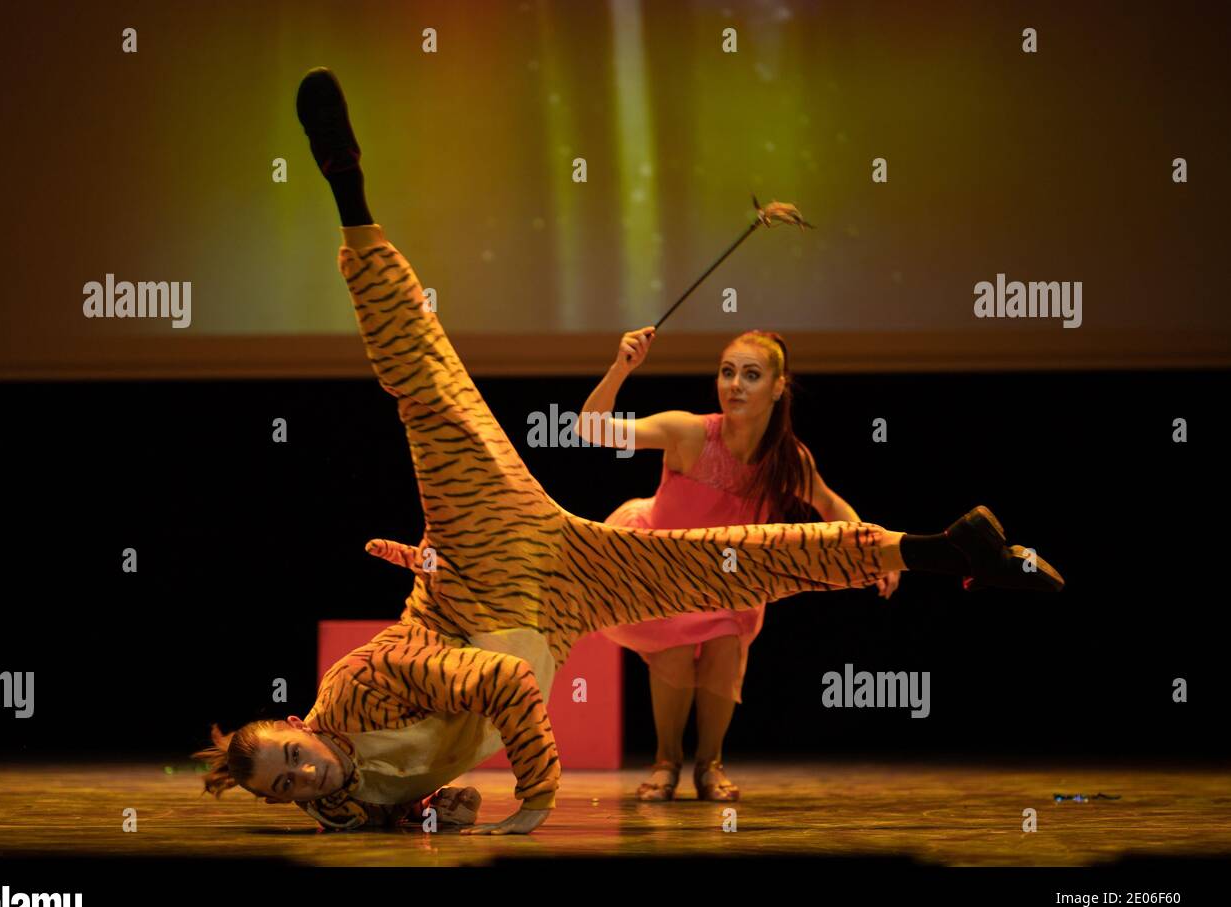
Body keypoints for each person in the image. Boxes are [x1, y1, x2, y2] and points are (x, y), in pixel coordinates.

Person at [192, 68, 1063, 837]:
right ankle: (942, 550)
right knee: (729, 568)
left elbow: (499, 681)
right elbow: (402, 780)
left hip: (493, 569)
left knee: (434, 398)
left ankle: (350, 195)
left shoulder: (357, 692)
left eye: (292, 757)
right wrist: (432, 812)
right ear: (286, 803)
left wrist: (533, 800)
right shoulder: (334, 803)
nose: (304, 774)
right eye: (289, 784)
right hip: (560, 598)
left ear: (299, 724)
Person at [578, 325, 898, 802]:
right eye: (728, 372)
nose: (735, 385)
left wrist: (878, 552)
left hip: (730, 580)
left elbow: (831, 508)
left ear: (777, 385)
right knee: (675, 649)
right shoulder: (688, 432)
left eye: (751, 375)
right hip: (664, 568)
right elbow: (590, 428)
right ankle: (666, 763)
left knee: (726, 647)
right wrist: (621, 367)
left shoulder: (786, 459)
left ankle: (710, 765)